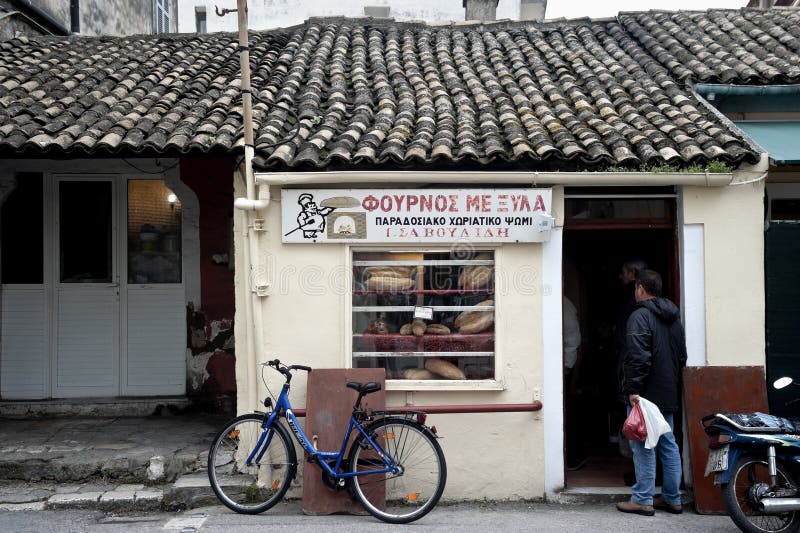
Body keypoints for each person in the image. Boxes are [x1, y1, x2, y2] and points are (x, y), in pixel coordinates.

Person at [616, 269, 687, 517]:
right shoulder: (674, 318)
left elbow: (638, 356)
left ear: (641, 289)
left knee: (643, 445)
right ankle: (672, 498)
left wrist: (633, 389)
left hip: (645, 392)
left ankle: (642, 499)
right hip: (668, 390)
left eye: (636, 287)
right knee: (668, 444)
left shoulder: (639, 316)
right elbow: (681, 356)